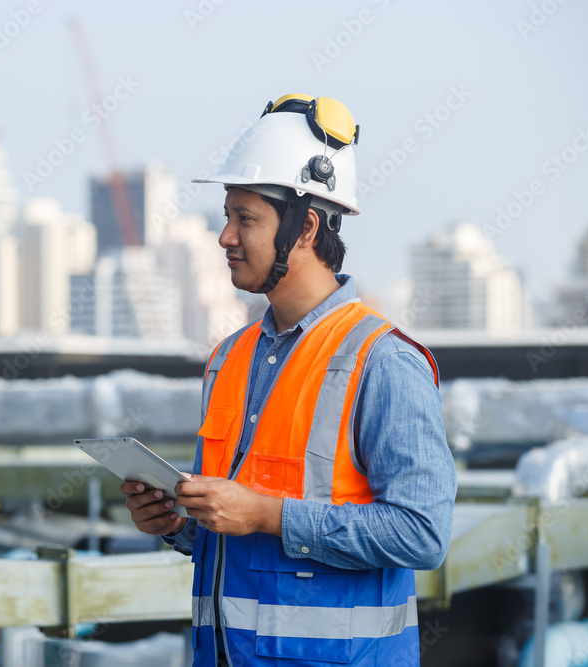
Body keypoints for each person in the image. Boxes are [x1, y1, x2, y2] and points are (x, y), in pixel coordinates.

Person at [121, 94, 457, 666]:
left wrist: (266, 513)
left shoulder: (382, 361)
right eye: (227, 216)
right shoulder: (229, 359)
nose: (225, 237)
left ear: (304, 228)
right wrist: (181, 523)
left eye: (244, 218)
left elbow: (422, 532)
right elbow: (242, 530)